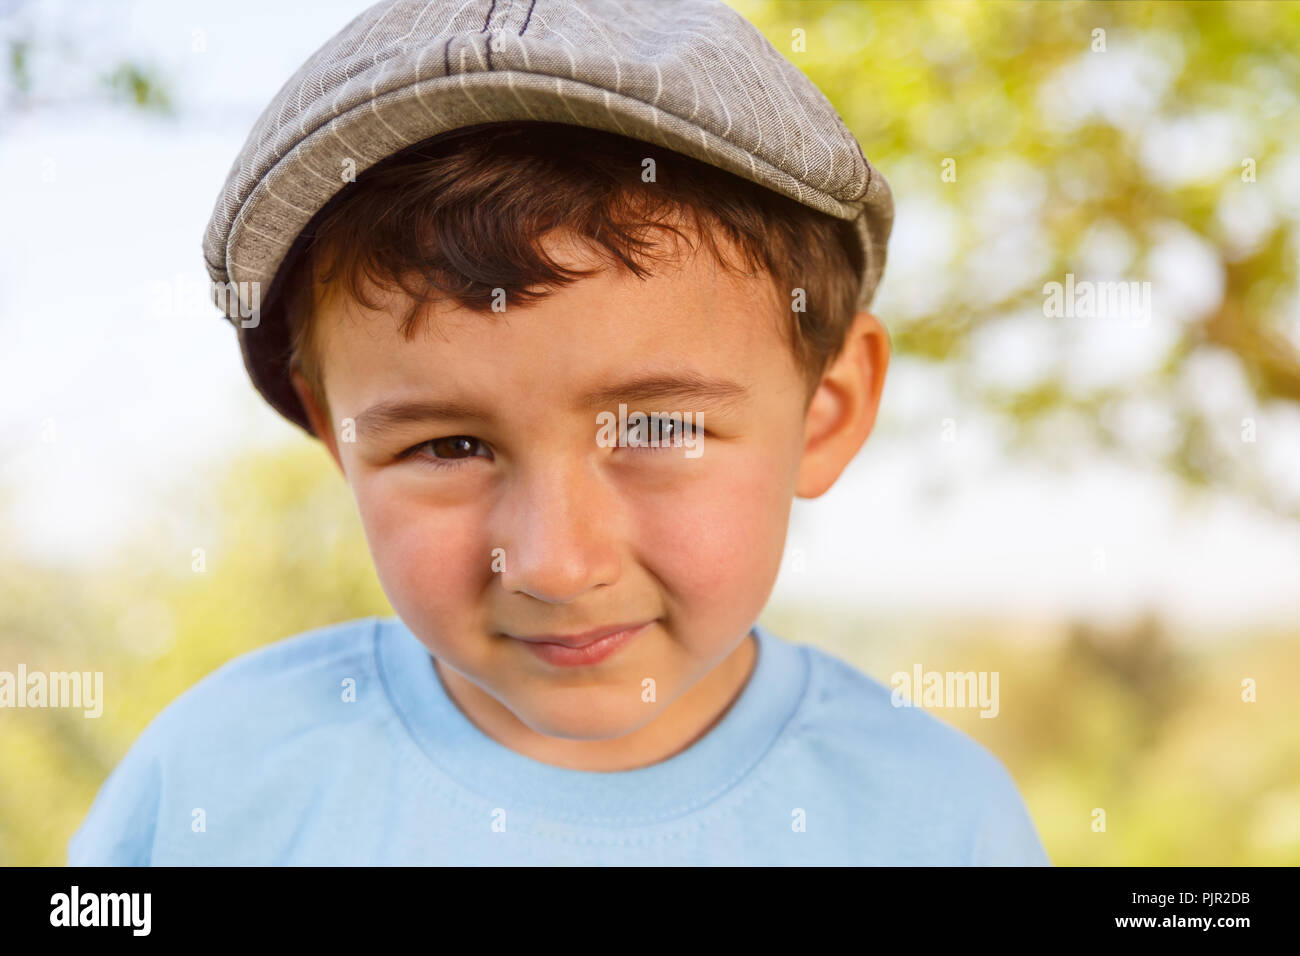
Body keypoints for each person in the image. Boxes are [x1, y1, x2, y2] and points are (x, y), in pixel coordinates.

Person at [69, 0, 1049, 865]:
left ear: (826, 411)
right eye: (448, 445)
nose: (553, 561)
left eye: (658, 425)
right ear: (336, 433)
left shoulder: (938, 823)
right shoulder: (211, 782)